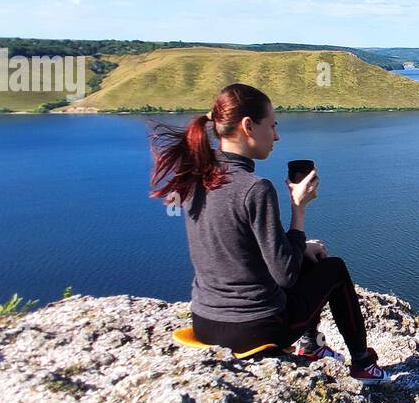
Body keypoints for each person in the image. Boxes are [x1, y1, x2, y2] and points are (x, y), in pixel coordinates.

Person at [148, 82, 391, 382]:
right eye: (272, 126)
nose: (276, 136)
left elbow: (243, 251)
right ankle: (363, 364)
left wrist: (300, 247)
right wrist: (298, 207)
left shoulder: (195, 176)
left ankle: (312, 347)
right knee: (334, 268)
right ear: (248, 126)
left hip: (205, 322)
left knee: (305, 253)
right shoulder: (254, 188)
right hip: (254, 328)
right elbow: (285, 274)